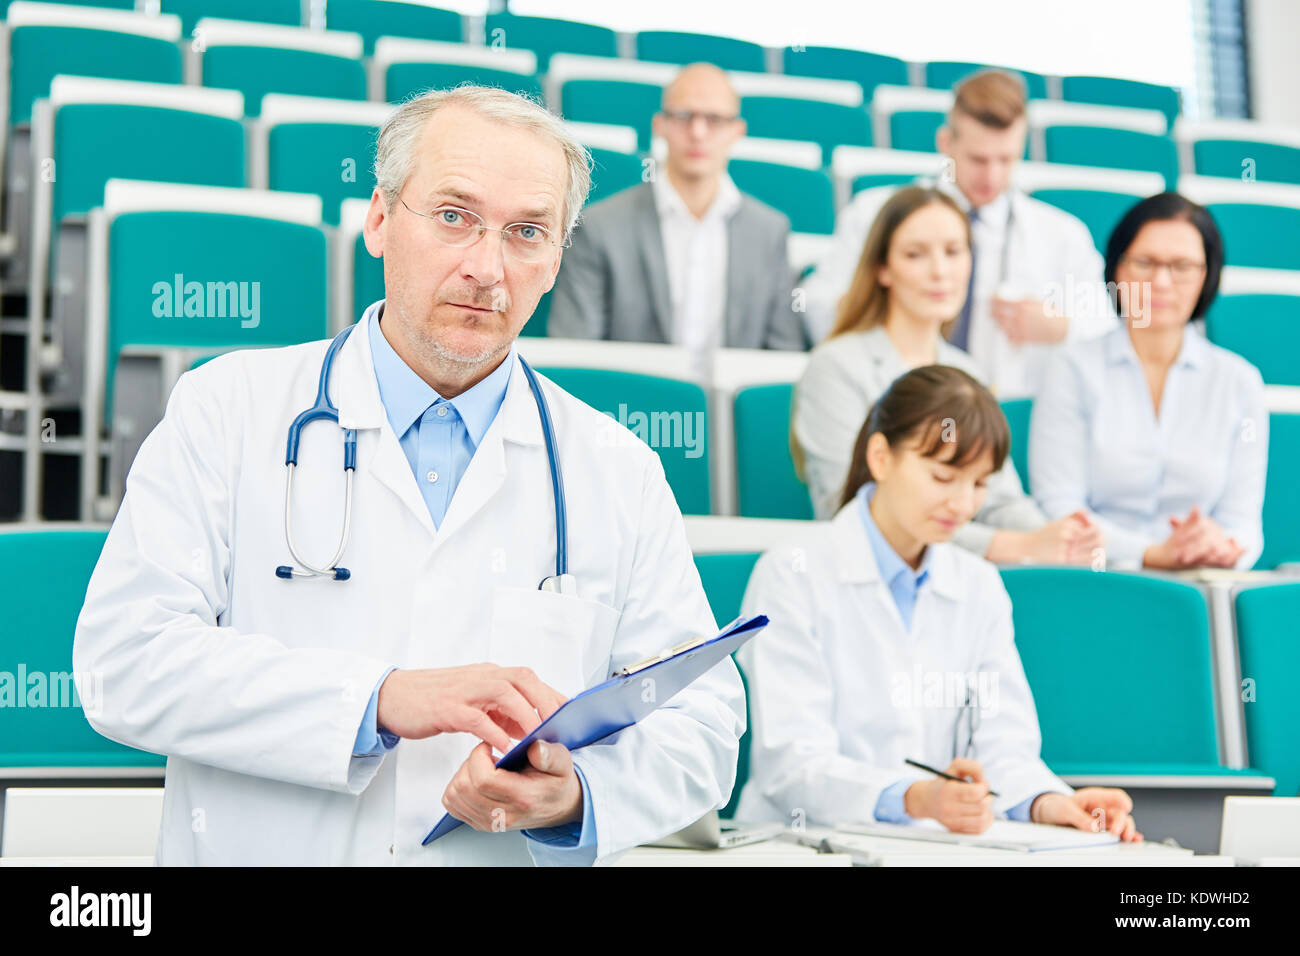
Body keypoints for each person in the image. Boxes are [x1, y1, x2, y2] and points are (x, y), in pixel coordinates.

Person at [72, 87, 746, 866]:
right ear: (381, 220)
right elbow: (123, 662)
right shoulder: (227, 409)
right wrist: (380, 699)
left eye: (528, 232)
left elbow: (701, 720)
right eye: (454, 216)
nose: (487, 268)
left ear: (556, 259)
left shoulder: (616, 468)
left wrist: (573, 797)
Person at [737, 365, 1141, 841]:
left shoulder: (979, 585)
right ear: (881, 457)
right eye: (943, 476)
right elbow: (792, 763)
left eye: (978, 483)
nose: (963, 504)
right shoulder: (792, 573)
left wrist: (1051, 803)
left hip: (931, 847)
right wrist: (912, 797)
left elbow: (1004, 747)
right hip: (798, 846)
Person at [793, 185, 1103, 565]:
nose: (940, 271)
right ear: (883, 268)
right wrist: (1014, 547)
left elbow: (1000, 498)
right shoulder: (836, 367)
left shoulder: (966, 372)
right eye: (915, 254)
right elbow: (849, 510)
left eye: (954, 252)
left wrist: (1052, 536)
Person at [800, 69, 1113, 396]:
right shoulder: (875, 212)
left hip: (1001, 417)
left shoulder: (1063, 235)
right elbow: (818, 306)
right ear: (946, 143)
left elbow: (1106, 333)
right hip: (892, 402)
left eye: (1006, 159)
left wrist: (1062, 328)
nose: (991, 176)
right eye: (978, 159)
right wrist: (882, 308)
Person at [1031, 193, 1269, 570]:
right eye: (1145, 262)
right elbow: (1059, 506)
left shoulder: (1239, 382)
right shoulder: (1072, 367)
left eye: (1182, 266)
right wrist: (1151, 554)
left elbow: (1244, 526)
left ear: (1207, 275)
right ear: (1117, 269)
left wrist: (1221, 544)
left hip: (1202, 582)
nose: (1161, 281)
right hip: (1096, 577)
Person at [547, 63, 804, 352]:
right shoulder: (599, 227)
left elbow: (783, 355)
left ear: (737, 131)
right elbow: (574, 353)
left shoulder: (769, 231)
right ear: (660, 125)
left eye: (714, 119)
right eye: (683, 116)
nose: (697, 132)